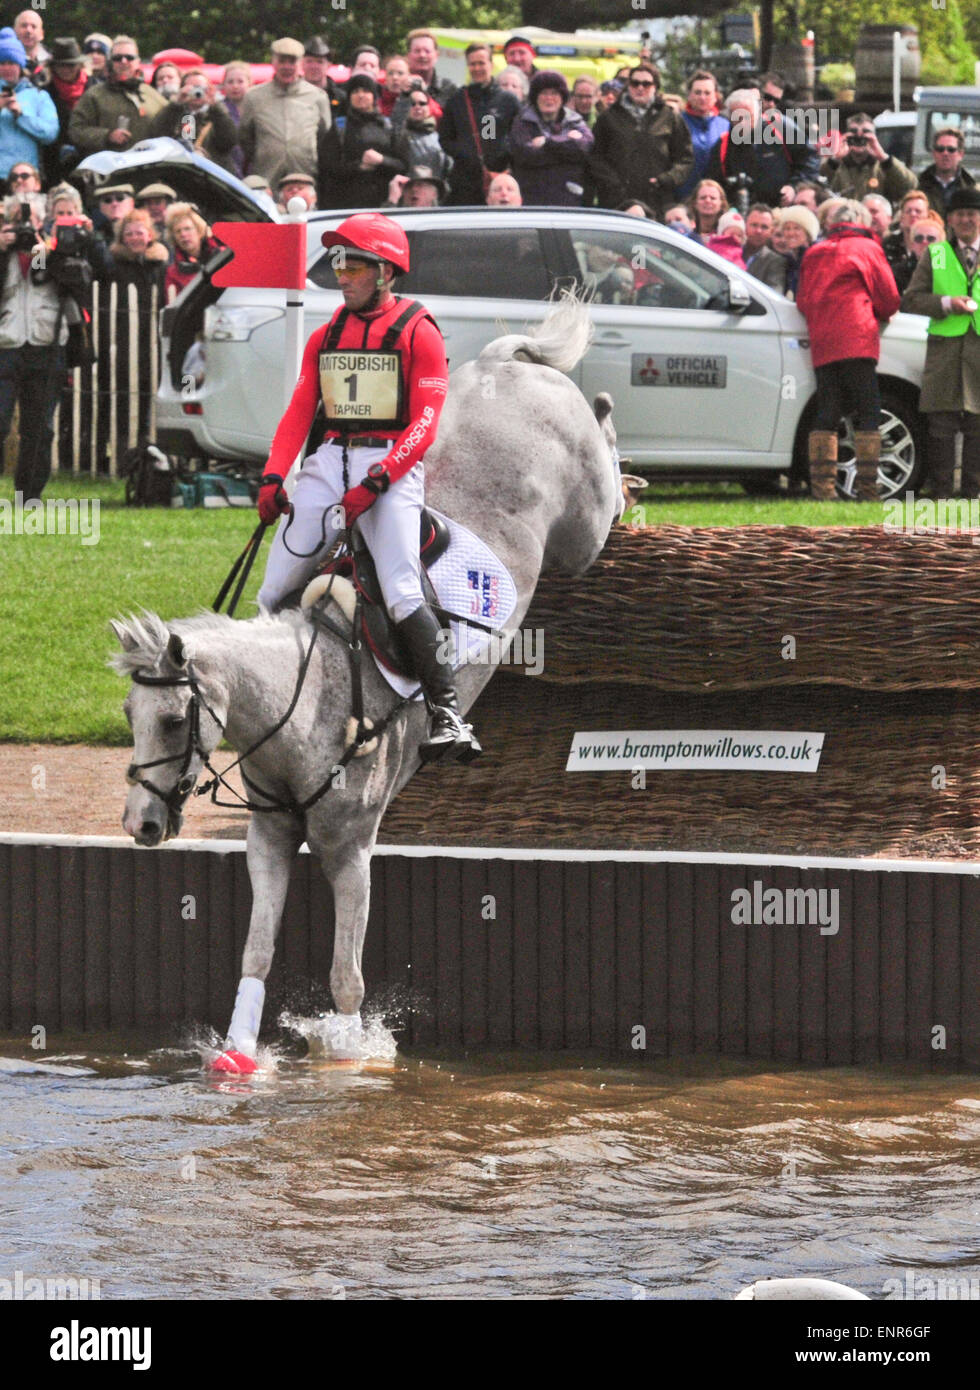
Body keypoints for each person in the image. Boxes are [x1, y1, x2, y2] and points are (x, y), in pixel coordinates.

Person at [256, 212, 481, 762]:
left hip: (393, 463)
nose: (342, 274)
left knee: (402, 586)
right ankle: (264, 695)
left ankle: (447, 712)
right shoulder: (325, 334)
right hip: (331, 458)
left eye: (353, 263)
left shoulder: (419, 331)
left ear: (385, 272)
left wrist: (378, 480)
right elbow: (297, 414)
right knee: (273, 585)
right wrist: (273, 475)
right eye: (337, 262)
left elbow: (424, 423)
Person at [796, 199, 899, 501]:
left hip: (823, 338)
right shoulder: (867, 249)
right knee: (868, 409)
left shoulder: (814, 253)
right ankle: (868, 489)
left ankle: (823, 490)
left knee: (827, 409)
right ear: (862, 222)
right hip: (857, 335)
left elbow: (803, 301)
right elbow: (889, 298)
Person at [0, 192, 95, 498]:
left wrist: (50, 253)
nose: (24, 227)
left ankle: (29, 495)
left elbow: (83, 279)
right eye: (17, 221)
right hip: (5, 347)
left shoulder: (55, 251)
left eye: (30, 220)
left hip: (47, 347)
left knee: (40, 429)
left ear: (43, 222)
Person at [902, 186, 980, 498]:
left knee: (978, 425)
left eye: (972, 214)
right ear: (949, 219)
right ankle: (942, 491)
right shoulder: (935, 254)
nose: (966, 220)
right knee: (941, 426)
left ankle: (974, 491)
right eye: (960, 214)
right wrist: (947, 303)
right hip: (944, 349)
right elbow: (912, 299)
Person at [588, 63, 693, 218]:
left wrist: (666, 179)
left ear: (655, 87)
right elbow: (595, 157)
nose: (640, 88)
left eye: (646, 84)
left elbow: (685, 158)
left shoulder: (669, 117)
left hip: (657, 200)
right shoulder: (608, 117)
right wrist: (612, 183)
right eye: (635, 83)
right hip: (617, 201)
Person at [238, 36, 331, 190]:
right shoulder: (254, 96)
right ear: (273, 62)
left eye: (292, 61)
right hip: (267, 174)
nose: (286, 67)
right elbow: (245, 136)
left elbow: (324, 135)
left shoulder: (317, 96)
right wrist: (267, 152)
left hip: (304, 172)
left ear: (300, 63)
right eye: (282, 61)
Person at [704, 88, 817, 210]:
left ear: (758, 113)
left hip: (782, 208)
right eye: (737, 117)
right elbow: (715, 183)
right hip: (742, 211)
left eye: (748, 117)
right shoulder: (723, 145)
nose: (742, 123)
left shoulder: (779, 127)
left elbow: (810, 159)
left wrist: (794, 187)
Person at [438, 43, 519, 207]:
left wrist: (503, 153)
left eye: (481, 63)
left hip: (499, 180)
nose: (477, 68)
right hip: (465, 182)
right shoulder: (457, 101)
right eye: (472, 64)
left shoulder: (508, 101)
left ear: (491, 64)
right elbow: (445, 138)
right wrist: (465, 152)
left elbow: (517, 136)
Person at [68, 35, 166, 158]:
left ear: (138, 62)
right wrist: (106, 136)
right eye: (118, 58)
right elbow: (75, 131)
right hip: (108, 170)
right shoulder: (94, 95)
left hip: (148, 168)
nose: (123, 62)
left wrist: (181, 106)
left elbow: (179, 127)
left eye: (129, 57)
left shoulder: (153, 95)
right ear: (110, 62)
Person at [508, 70, 593, 208]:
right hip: (531, 200)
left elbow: (585, 147)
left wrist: (546, 142)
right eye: (544, 93)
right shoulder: (522, 122)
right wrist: (567, 143)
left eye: (554, 93)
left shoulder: (575, 121)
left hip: (569, 200)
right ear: (535, 97)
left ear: (562, 97)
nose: (549, 98)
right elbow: (525, 155)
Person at [318, 74, 403, 210]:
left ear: (374, 96)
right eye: (355, 92)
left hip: (382, 202)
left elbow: (402, 165)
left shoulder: (388, 127)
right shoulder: (340, 127)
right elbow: (327, 166)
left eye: (366, 91)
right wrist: (358, 166)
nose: (361, 95)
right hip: (346, 203)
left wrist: (382, 160)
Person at [818, 112, 917, 206]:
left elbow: (910, 187)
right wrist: (835, 160)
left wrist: (883, 158)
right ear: (846, 136)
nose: (859, 138)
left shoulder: (885, 167)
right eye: (854, 133)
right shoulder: (836, 166)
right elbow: (818, 187)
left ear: (875, 137)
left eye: (866, 133)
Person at [149, 70, 238, 172]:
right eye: (192, 88)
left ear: (209, 89)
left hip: (213, 175)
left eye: (201, 88)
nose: (197, 92)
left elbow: (229, 141)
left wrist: (215, 106)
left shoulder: (217, 114)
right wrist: (176, 104)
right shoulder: (176, 114)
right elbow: (157, 135)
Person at [0, 27, 57, 182]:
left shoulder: (38, 95)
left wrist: (21, 115)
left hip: (25, 179)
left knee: (25, 208)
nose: (6, 68)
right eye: (2, 63)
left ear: (20, 65)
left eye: (11, 62)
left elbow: (51, 134)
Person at [40, 38, 92, 182]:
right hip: (55, 163)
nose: (66, 70)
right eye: (61, 65)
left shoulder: (94, 87)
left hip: (90, 161)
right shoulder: (44, 91)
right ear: (53, 66)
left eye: (71, 65)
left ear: (80, 65)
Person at [678, 69, 728, 200]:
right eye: (697, 92)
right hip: (684, 196)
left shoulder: (726, 125)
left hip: (715, 199)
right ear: (689, 95)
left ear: (716, 96)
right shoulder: (677, 122)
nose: (702, 97)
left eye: (707, 93)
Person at [393, 85, 451, 186]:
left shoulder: (441, 136)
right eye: (412, 104)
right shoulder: (400, 135)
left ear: (429, 108)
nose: (417, 107)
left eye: (422, 103)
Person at [163, 202, 220, 300]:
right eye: (178, 231)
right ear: (174, 238)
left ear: (199, 230)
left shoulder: (222, 256)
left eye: (187, 229)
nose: (183, 235)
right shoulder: (172, 273)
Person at [917, 127, 976, 218]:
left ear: (961, 154)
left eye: (951, 149)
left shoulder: (971, 188)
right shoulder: (918, 185)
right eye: (940, 149)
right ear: (934, 153)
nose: (945, 153)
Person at [882, 190, 930, 293]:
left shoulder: (936, 244)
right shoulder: (888, 245)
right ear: (902, 216)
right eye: (908, 211)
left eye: (918, 211)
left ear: (927, 215)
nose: (913, 214)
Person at [742, 202, 787, 292]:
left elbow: (774, 294)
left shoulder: (776, 262)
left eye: (764, 227)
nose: (758, 231)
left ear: (771, 231)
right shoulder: (732, 251)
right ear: (745, 225)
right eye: (754, 225)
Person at [405, 29, 455, 108]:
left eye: (427, 51)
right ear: (408, 55)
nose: (422, 55)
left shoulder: (448, 88)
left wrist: (423, 91)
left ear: (436, 55)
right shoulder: (399, 85)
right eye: (417, 51)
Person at [777, 203, 819, 299]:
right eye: (787, 228)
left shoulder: (815, 257)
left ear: (808, 232)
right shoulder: (788, 260)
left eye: (797, 228)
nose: (791, 233)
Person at [219, 62, 251, 178]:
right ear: (223, 85)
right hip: (226, 169)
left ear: (249, 84)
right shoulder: (217, 109)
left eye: (240, 81)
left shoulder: (258, 109)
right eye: (230, 82)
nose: (235, 86)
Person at [13, 10, 48, 81]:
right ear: (14, 31)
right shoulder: (3, 63)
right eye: (24, 26)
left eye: (34, 26)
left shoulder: (52, 63)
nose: (28, 30)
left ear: (42, 34)